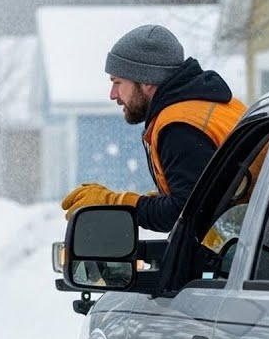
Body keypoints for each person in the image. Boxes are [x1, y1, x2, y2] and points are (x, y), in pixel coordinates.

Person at [61, 24, 248, 241]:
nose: (113, 95)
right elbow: (203, 195)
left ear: (147, 80)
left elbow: (187, 212)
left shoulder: (180, 126)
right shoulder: (213, 108)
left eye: (117, 82)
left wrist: (115, 204)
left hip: (249, 250)